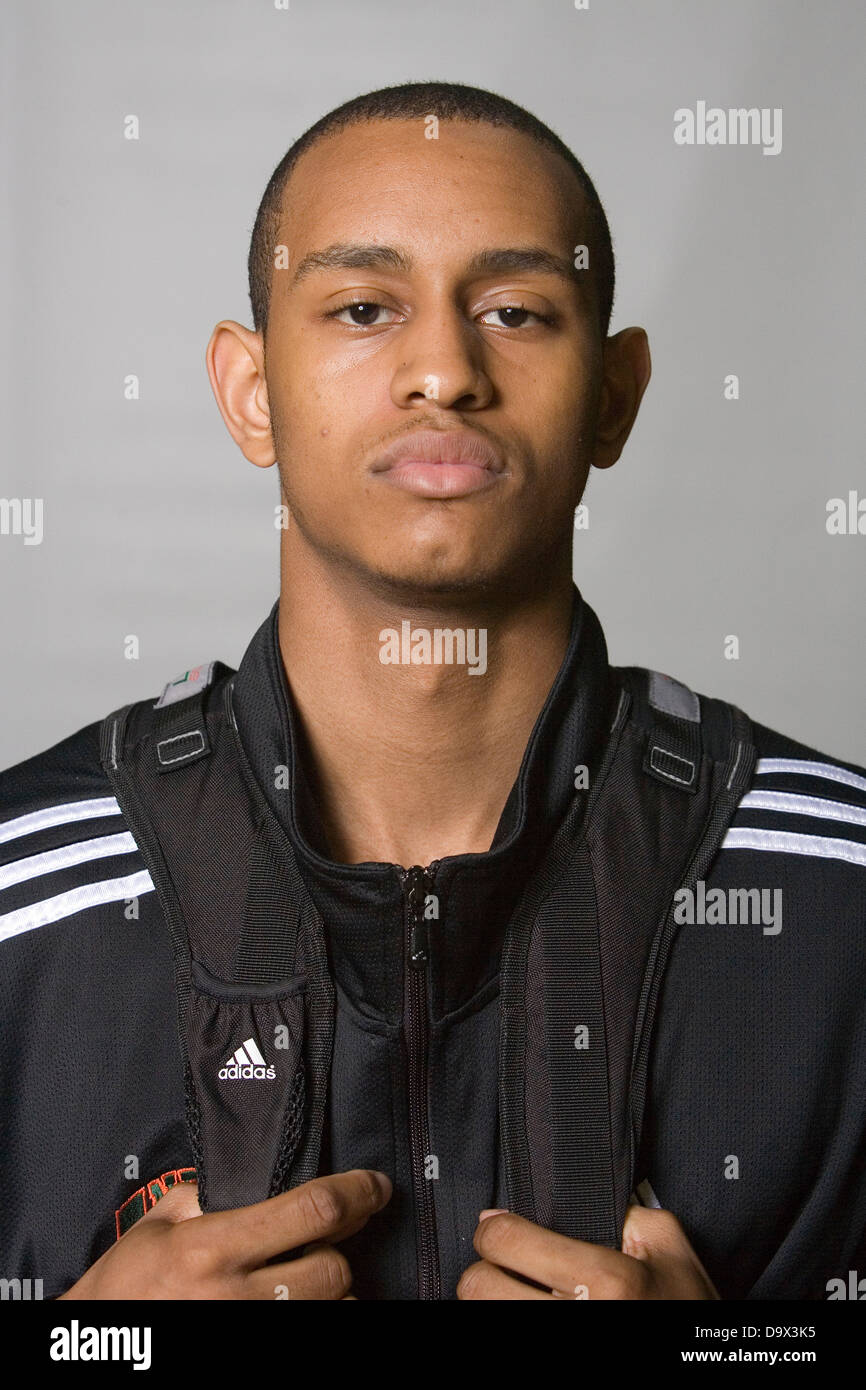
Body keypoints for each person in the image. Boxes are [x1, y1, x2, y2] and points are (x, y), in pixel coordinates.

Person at [1, 82, 864, 1303]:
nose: (444, 371)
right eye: (363, 308)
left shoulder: (834, 900)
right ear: (250, 391)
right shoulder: (19, 896)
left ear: (613, 395)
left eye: (515, 311)